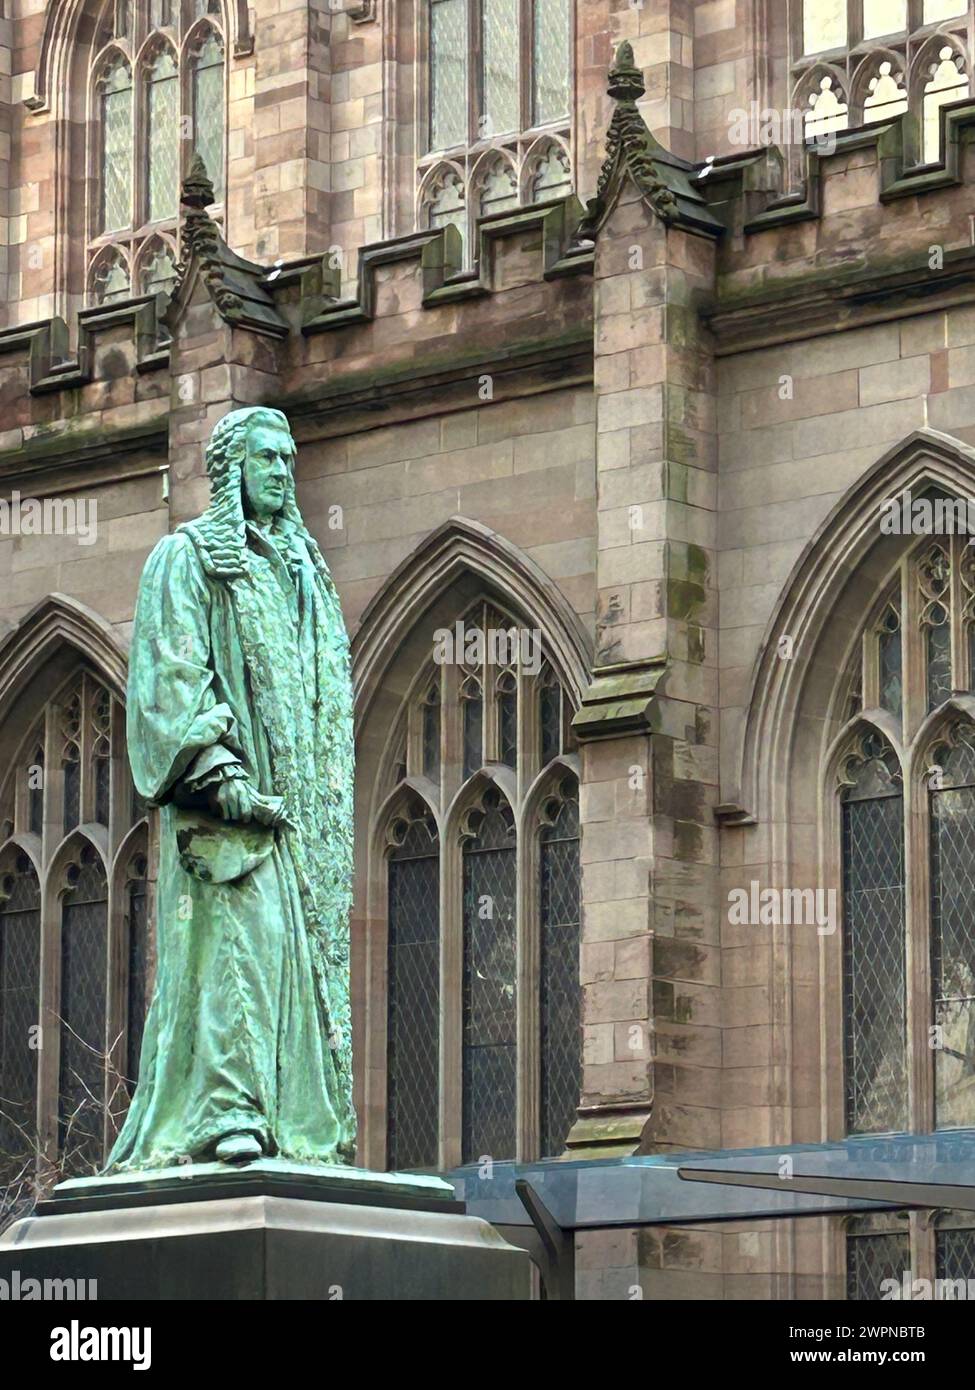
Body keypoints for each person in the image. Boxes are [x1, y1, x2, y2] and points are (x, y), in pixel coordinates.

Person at [106, 406, 355, 1170]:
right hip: (230, 827)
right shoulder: (187, 559)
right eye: (266, 459)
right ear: (230, 472)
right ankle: (225, 1117)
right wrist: (221, 774)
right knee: (238, 956)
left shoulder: (308, 575)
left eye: (288, 459)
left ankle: (293, 1123)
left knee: (295, 972)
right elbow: (168, 684)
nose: (282, 471)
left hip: (302, 827)